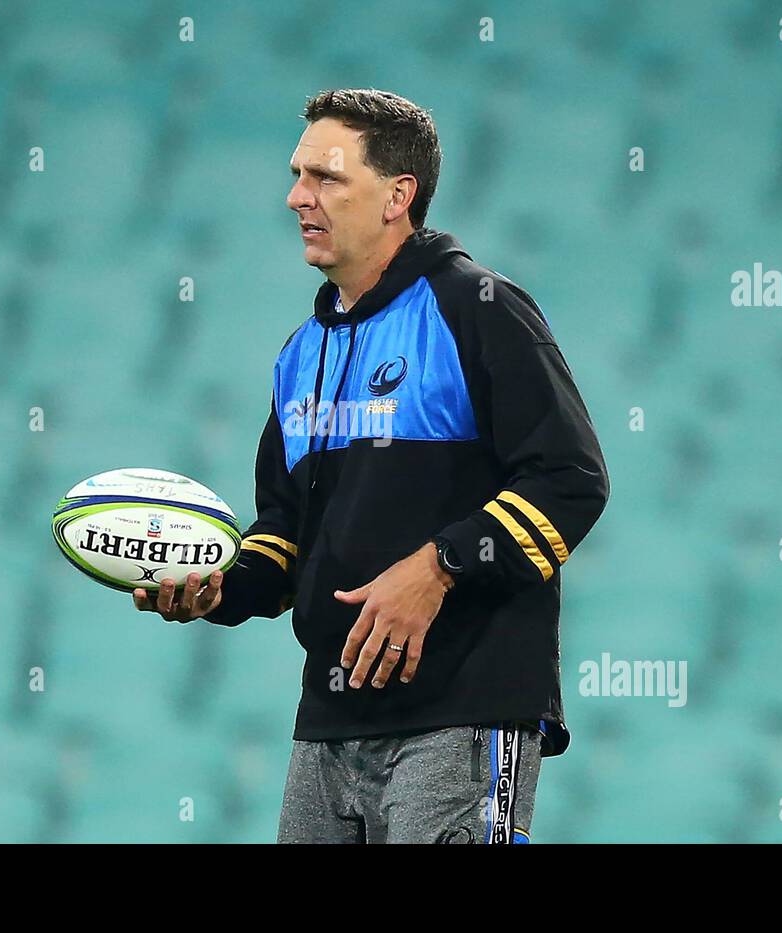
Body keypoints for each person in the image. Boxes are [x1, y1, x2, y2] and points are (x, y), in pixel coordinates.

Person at [134, 88, 609, 844]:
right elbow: (286, 529)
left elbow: (571, 479)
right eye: (297, 175)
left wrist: (439, 566)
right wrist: (222, 584)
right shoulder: (303, 351)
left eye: (325, 177)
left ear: (398, 195)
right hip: (328, 723)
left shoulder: (477, 307)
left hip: (462, 711)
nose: (297, 197)